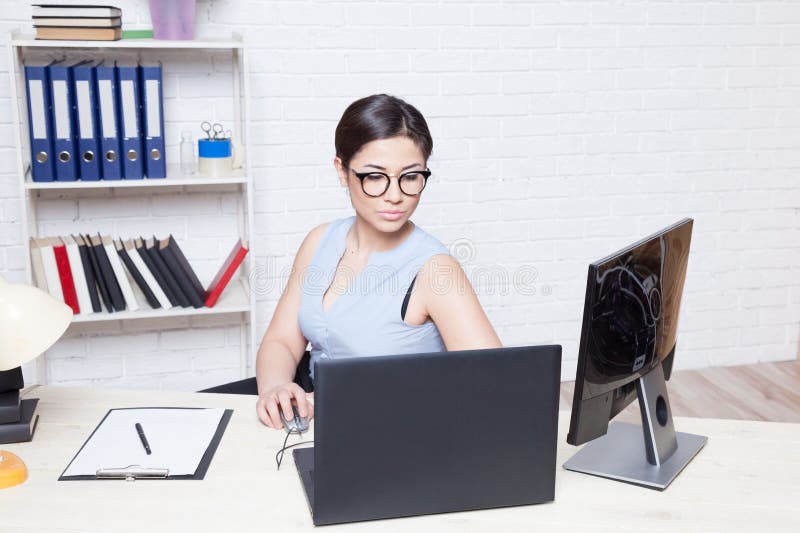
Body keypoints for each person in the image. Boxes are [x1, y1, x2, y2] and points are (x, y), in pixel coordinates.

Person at [256, 94, 501, 429]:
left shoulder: (435, 270)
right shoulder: (319, 241)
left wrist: (336, 401)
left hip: (395, 437)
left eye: (411, 176)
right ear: (342, 171)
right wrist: (275, 389)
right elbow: (281, 340)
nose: (395, 194)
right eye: (374, 176)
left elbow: (493, 387)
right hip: (312, 429)